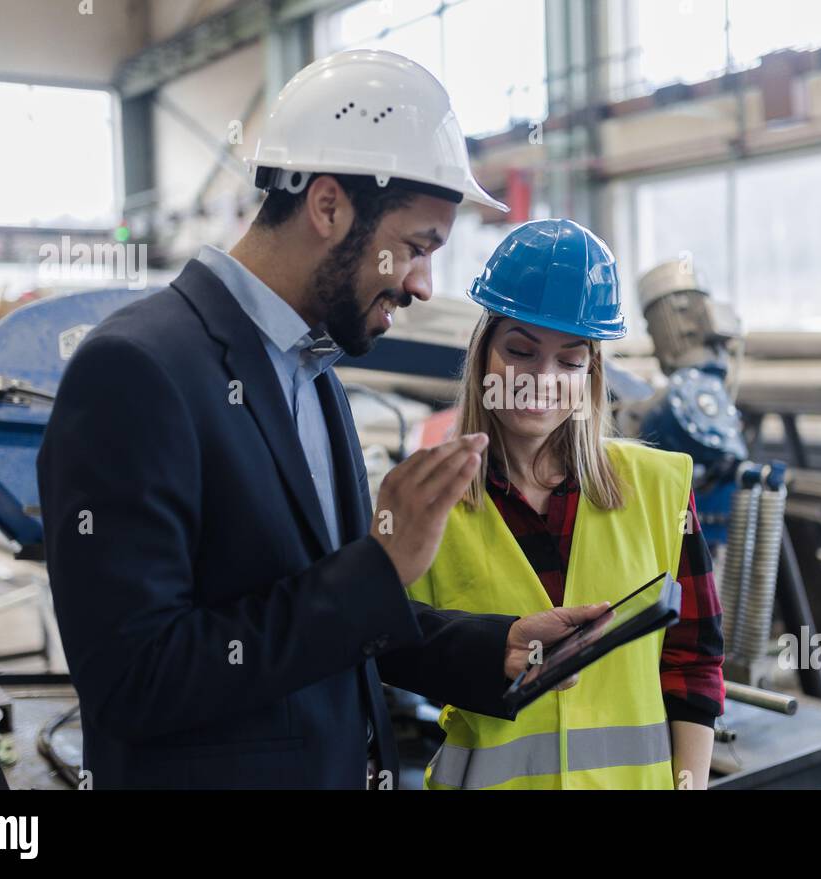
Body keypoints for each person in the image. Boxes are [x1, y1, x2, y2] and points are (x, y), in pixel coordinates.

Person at [36, 50, 607, 790]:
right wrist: (380, 567)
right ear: (329, 206)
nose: (423, 285)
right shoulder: (137, 371)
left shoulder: (313, 373)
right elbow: (134, 679)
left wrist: (488, 647)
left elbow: (329, 618)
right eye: (416, 247)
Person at [407, 219, 726, 789]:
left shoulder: (659, 487)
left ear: (591, 373)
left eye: (570, 360)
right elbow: (393, 649)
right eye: (520, 351)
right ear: (483, 355)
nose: (542, 378)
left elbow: (693, 661)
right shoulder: (426, 499)